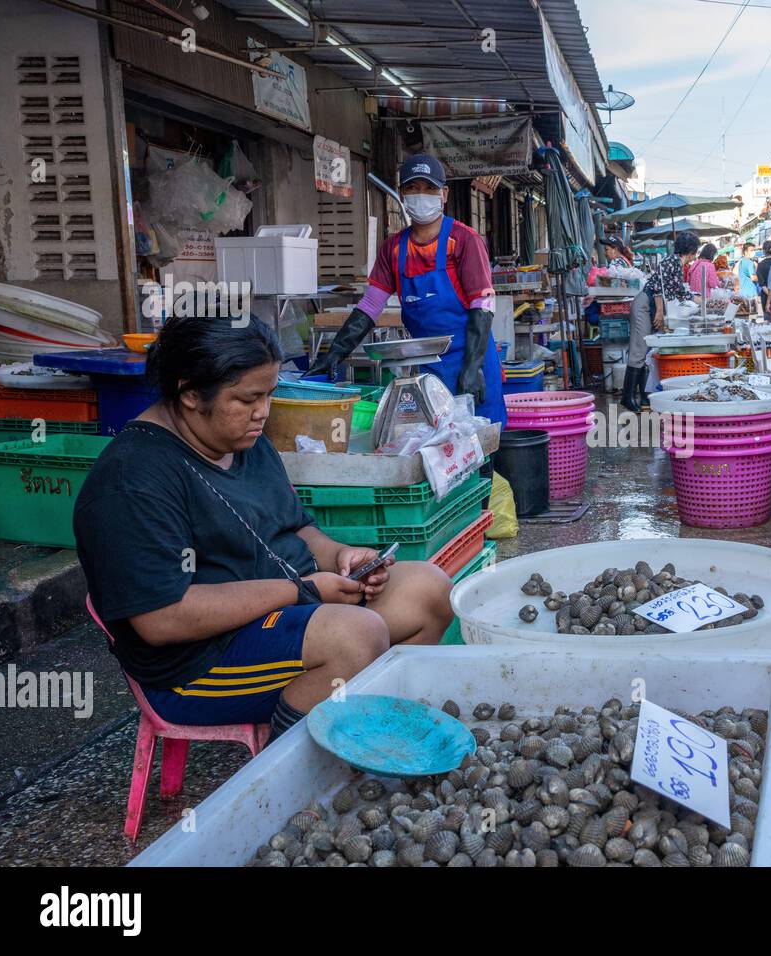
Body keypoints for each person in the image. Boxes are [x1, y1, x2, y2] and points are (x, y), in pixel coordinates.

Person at [73, 315, 454, 739]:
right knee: (354, 637)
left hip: (288, 611)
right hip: (197, 662)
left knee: (428, 589)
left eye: (269, 394)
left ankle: (371, 726)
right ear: (190, 393)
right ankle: (291, 775)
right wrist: (303, 590)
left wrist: (341, 557)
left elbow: (297, 528)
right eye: (248, 399)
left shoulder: (242, 440)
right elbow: (163, 619)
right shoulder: (132, 480)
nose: (263, 412)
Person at [306, 153, 505, 426]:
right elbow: (369, 307)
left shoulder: (464, 240)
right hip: (428, 365)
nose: (420, 195)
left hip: (472, 357)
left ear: (444, 194)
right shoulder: (393, 249)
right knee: (437, 443)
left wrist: (472, 367)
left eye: (429, 188)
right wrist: (334, 354)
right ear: (402, 194)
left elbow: (483, 305)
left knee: (480, 438)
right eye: (412, 188)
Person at [624, 230, 698, 411]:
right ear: (691, 251)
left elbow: (679, 291)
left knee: (647, 350)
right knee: (639, 350)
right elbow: (658, 288)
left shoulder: (678, 265)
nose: (694, 256)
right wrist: (659, 312)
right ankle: (627, 397)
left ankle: (643, 397)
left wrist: (700, 300)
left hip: (651, 306)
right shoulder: (671, 261)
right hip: (645, 304)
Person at [737, 242, 759, 312]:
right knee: (753, 317)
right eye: (751, 250)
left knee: (744, 317)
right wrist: (761, 278)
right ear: (745, 252)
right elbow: (753, 277)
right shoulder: (750, 263)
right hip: (751, 294)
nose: (753, 252)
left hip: (742, 293)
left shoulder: (741, 261)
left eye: (754, 250)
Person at [755, 244, 771, 316]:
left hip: (766, 297)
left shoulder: (761, 265)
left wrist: (770, 296)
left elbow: (762, 285)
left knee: (768, 321)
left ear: (763, 251)